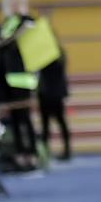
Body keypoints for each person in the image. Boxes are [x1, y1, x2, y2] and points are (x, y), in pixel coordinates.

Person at [0, 0, 40, 169]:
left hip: (24, 78)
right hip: (8, 78)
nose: (15, 5)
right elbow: (0, 42)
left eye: (18, 2)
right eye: (12, 2)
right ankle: (20, 153)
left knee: (25, 117)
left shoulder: (28, 21)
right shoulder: (7, 23)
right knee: (14, 118)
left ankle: (32, 153)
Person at [36, 32, 70, 163]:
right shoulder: (51, 53)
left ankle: (65, 150)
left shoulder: (54, 53)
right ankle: (46, 152)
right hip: (47, 92)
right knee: (47, 124)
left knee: (59, 121)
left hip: (53, 92)